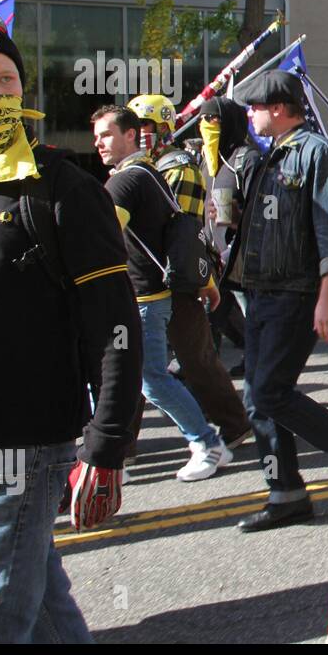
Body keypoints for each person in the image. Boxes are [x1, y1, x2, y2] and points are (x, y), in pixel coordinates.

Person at [0, 8, 141, 642]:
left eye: (7, 83)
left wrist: (108, 446)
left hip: (16, 452)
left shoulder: (63, 190)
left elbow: (114, 326)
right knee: (39, 612)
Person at [220, 70, 328, 532]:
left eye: (254, 108)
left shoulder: (316, 153)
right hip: (259, 292)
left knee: (270, 392)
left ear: (277, 108)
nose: (250, 117)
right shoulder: (271, 156)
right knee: (257, 398)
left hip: (294, 294)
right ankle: (286, 492)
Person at [93, 105, 233, 481]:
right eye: (96, 136)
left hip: (142, 298)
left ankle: (206, 442)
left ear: (129, 135)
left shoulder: (126, 181)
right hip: (147, 296)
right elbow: (181, 231)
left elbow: (100, 241)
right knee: (125, 379)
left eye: (106, 134)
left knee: (150, 379)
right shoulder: (149, 174)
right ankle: (109, 455)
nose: (98, 143)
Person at [127, 94, 252, 449]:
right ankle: (120, 443)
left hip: (174, 278)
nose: (139, 134)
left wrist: (199, 281)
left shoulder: (176, 167)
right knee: (133, 361)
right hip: (145, 278)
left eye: (145, 127)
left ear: (163, 128)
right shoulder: (143, 167)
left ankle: (233, 424)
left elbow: (176, 231)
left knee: (195, 357)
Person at [198, 94, 264, 372]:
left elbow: (260, 208)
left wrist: (236, 229)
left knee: (249, 309)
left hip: (240, 255)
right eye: (203, 119)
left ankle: (259, 362)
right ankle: (213, 366)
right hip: (212, 255)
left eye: (213, 118)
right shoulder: (207, 160)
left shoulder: (246, 159)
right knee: (216, 314)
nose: (207, 124)